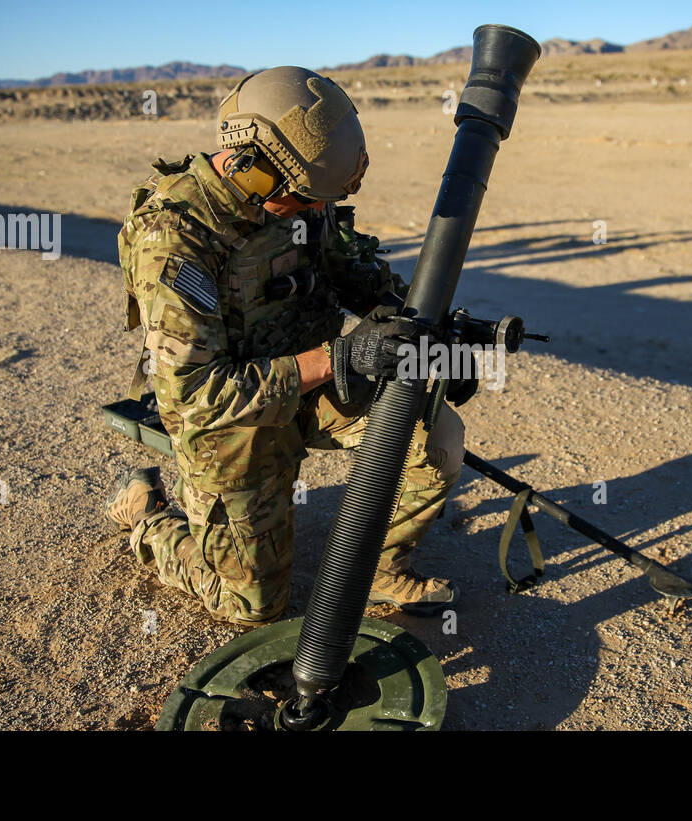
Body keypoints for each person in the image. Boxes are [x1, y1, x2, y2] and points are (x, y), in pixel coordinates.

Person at [106, 66, 463, 629]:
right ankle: (148, 517)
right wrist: (338, 359)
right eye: (299, 199)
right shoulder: (176, 237)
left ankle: (377, 569)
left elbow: (352, 273)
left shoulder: (298, 193)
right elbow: (197, 396)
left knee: (434, 438)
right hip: (233, 422)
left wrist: (423, 327)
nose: (307, 210)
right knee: (253, 610)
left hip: (313, 387)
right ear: (249, 168)